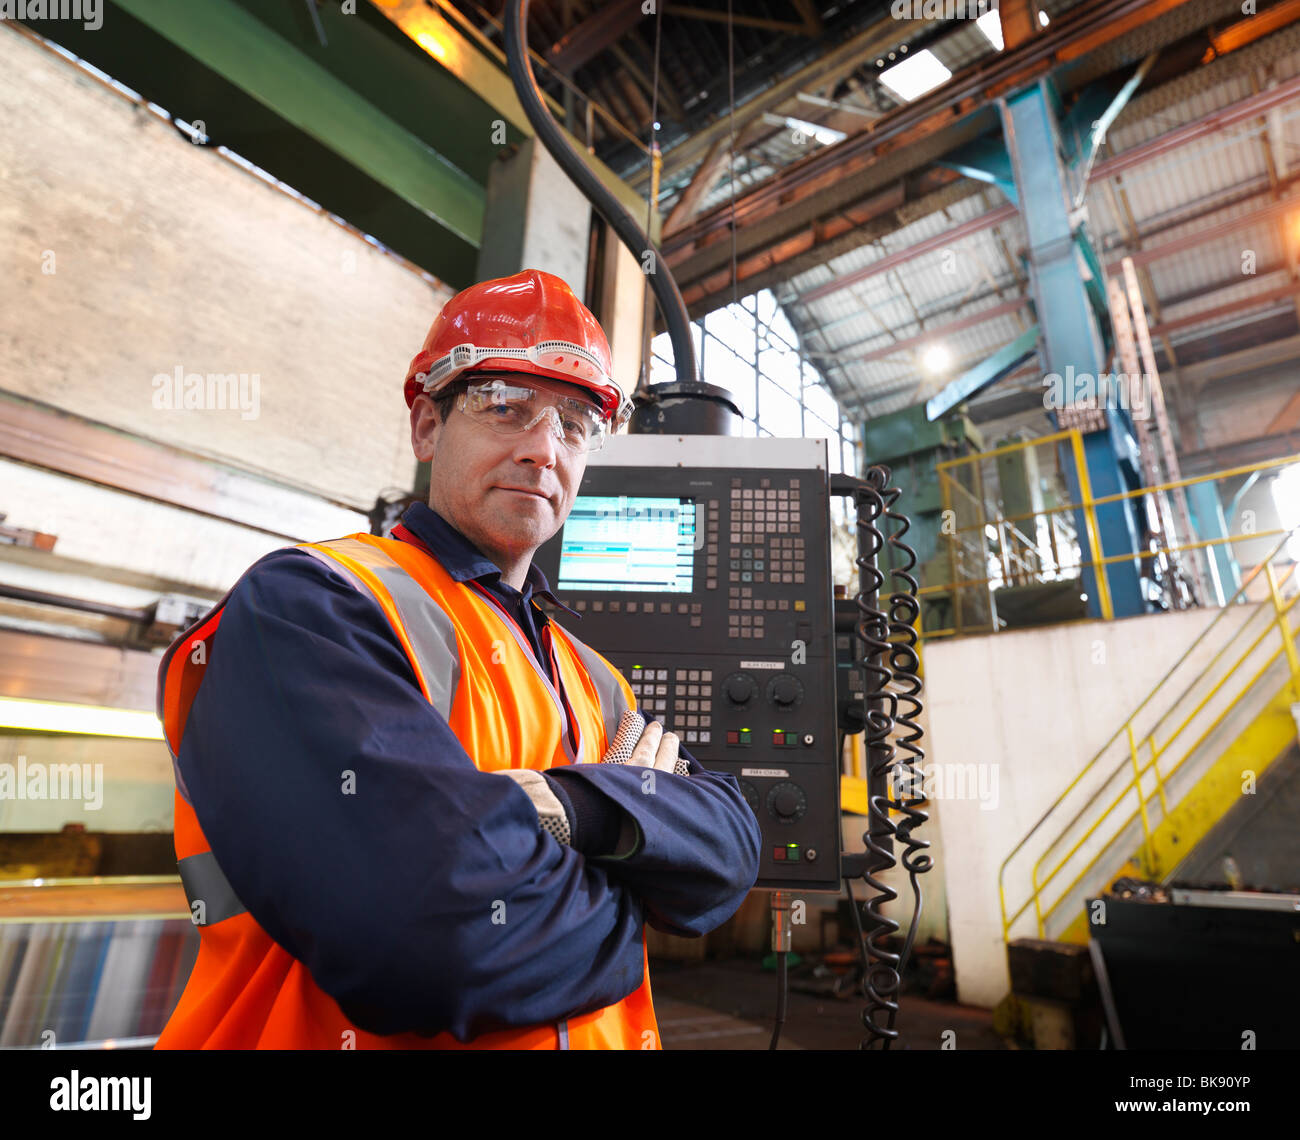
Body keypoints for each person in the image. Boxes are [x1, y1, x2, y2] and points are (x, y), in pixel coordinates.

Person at [154, 268, 761, 1050]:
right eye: (505, 406)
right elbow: (426, 941)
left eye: (575, 424)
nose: (545, 449)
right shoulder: (313, 607)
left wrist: (572, 811)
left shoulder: (592, 676)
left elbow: (733, 844)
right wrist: (638, 896)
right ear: (426, 427)